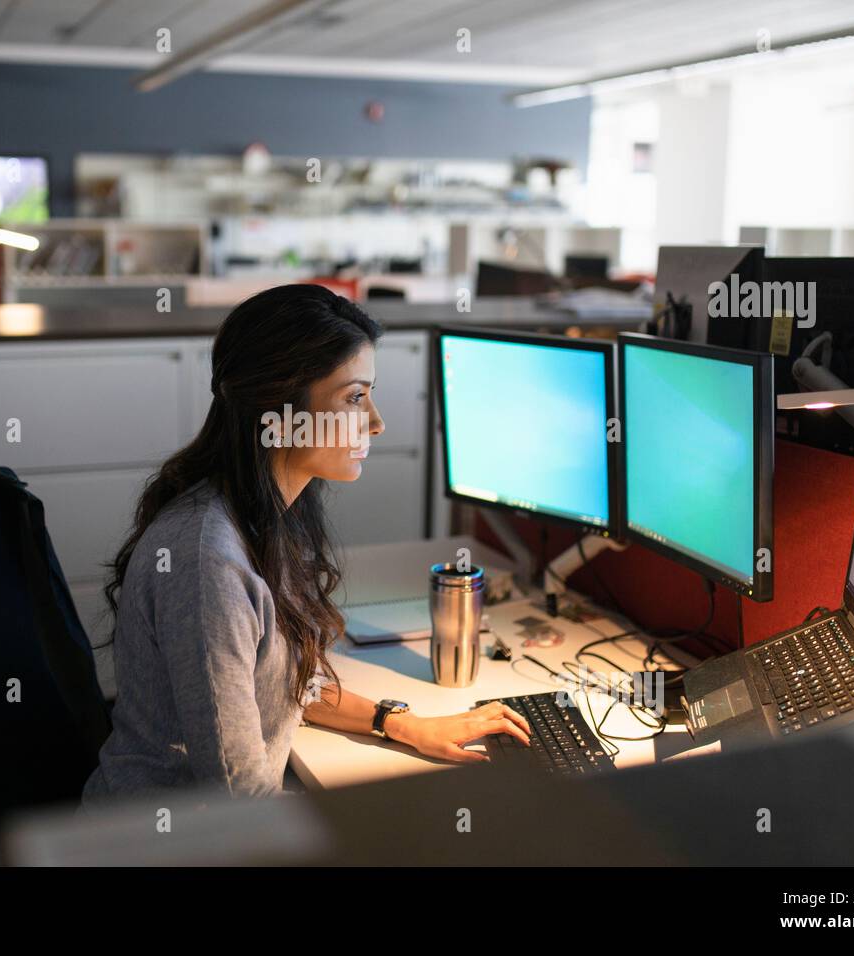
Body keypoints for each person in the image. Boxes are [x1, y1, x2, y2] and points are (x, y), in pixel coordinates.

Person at [82, 285, 529, 803]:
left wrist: (399, 722)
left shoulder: (262, 513)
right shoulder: (208, 563)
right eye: (355, 398)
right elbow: (241, 796)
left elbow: (285, 683)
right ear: (280, 407)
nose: (376, 423)